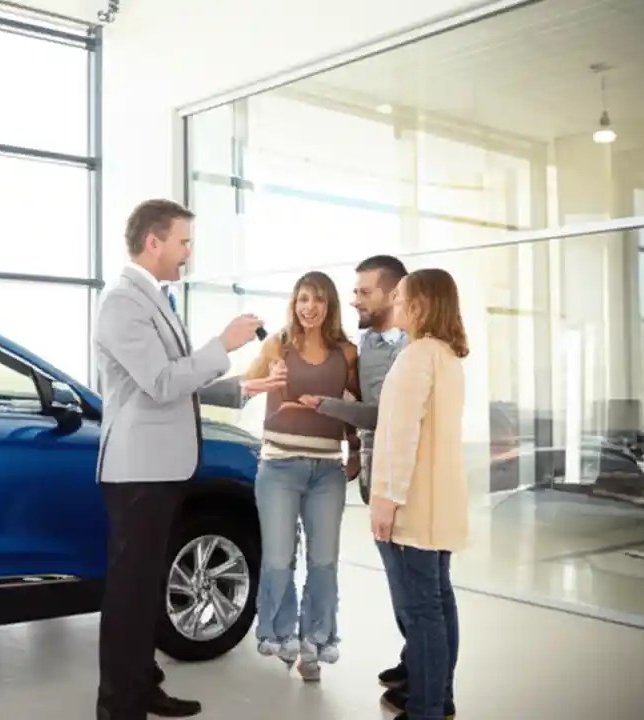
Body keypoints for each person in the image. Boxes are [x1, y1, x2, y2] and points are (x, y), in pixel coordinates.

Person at [93, 198, 279, 720]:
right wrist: (225, 343)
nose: (188, 254)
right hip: (138, 471)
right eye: (183, 243)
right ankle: (119, 708)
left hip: (162, 467)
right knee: (130, 595)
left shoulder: (154, 298)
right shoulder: (122, 303)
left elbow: (177, 378)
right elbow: (161, 383)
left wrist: (241, 384)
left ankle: (143, 685)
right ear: (153, 242)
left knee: (147, 587)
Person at [297, 254, 411, 693]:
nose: (356, 299)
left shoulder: (412, 349)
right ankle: (413, 658)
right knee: (400, 584)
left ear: (393, 294)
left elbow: (385, 414)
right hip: (375, 478)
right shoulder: (366, 346)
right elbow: (363, 409)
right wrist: (355, 449)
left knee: (421, 590)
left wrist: (323, 404)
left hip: (404, 482)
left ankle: (430, 681)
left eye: (365, 292)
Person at [242, 271, 360, 682]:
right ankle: (282, 637)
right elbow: (246, 384)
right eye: (303, 299)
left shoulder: (347, 353)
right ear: (294, 303)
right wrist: (268, 380)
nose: (309, 307)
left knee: (323, 561)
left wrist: (356, 450)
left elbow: (353, 409)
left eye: (318, 300)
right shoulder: (279, 343)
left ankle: (315, 644)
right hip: (278, 467)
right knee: (278, 558)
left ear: (330, 306)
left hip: (327, 469)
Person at [369, 268, 470, 720]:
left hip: (412, 505)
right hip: (439, 504)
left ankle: (426, 708)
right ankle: (439, 699)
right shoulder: (446, 355)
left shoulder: (416, 357)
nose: (393, 300)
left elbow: (401, 435)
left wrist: (387, 497)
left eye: (401, 295)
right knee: (438, 603)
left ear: (421, 305)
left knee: (423, 612)